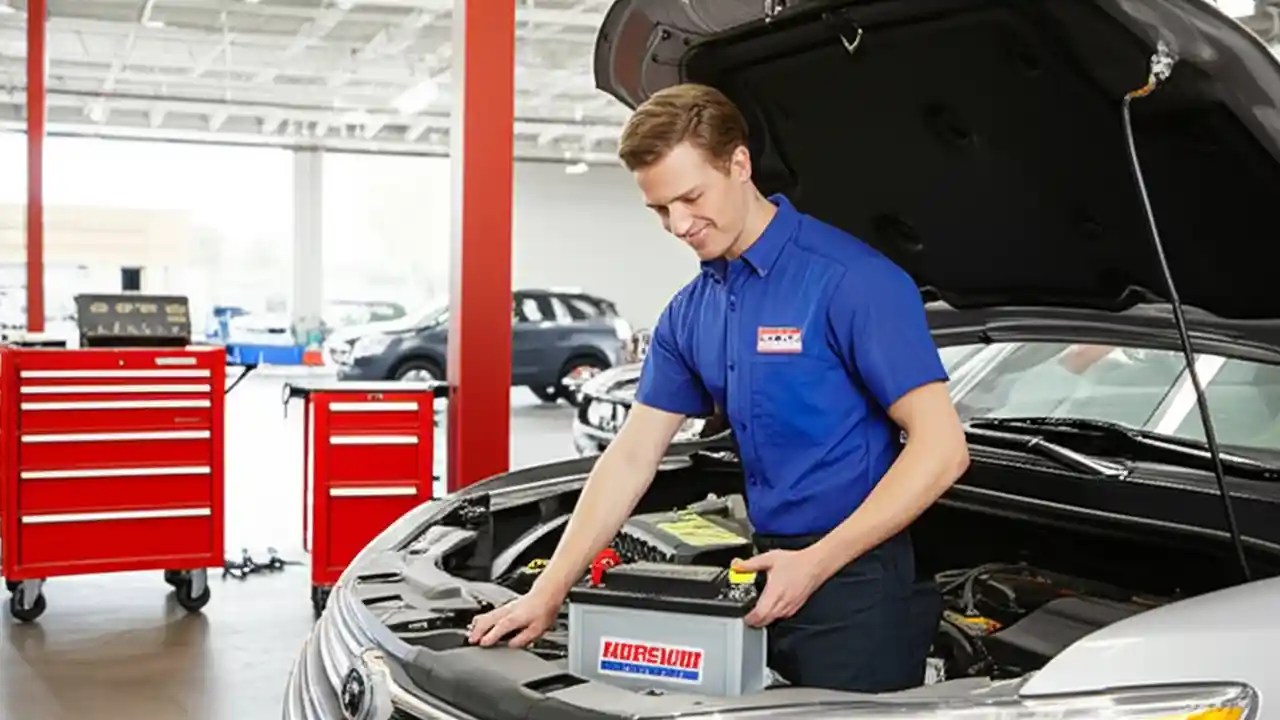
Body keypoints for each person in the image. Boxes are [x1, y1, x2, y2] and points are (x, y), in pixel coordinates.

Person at [467, 83, 971, 692]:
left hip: (857, 581)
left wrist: (814, 565)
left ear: (739, 163)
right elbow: (630, 457)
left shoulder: (852, 282)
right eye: (659, 209)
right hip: (759, 569)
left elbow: (943, 448)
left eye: (690, 197)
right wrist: (546, 594)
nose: (678, 225)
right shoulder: (689, 312)